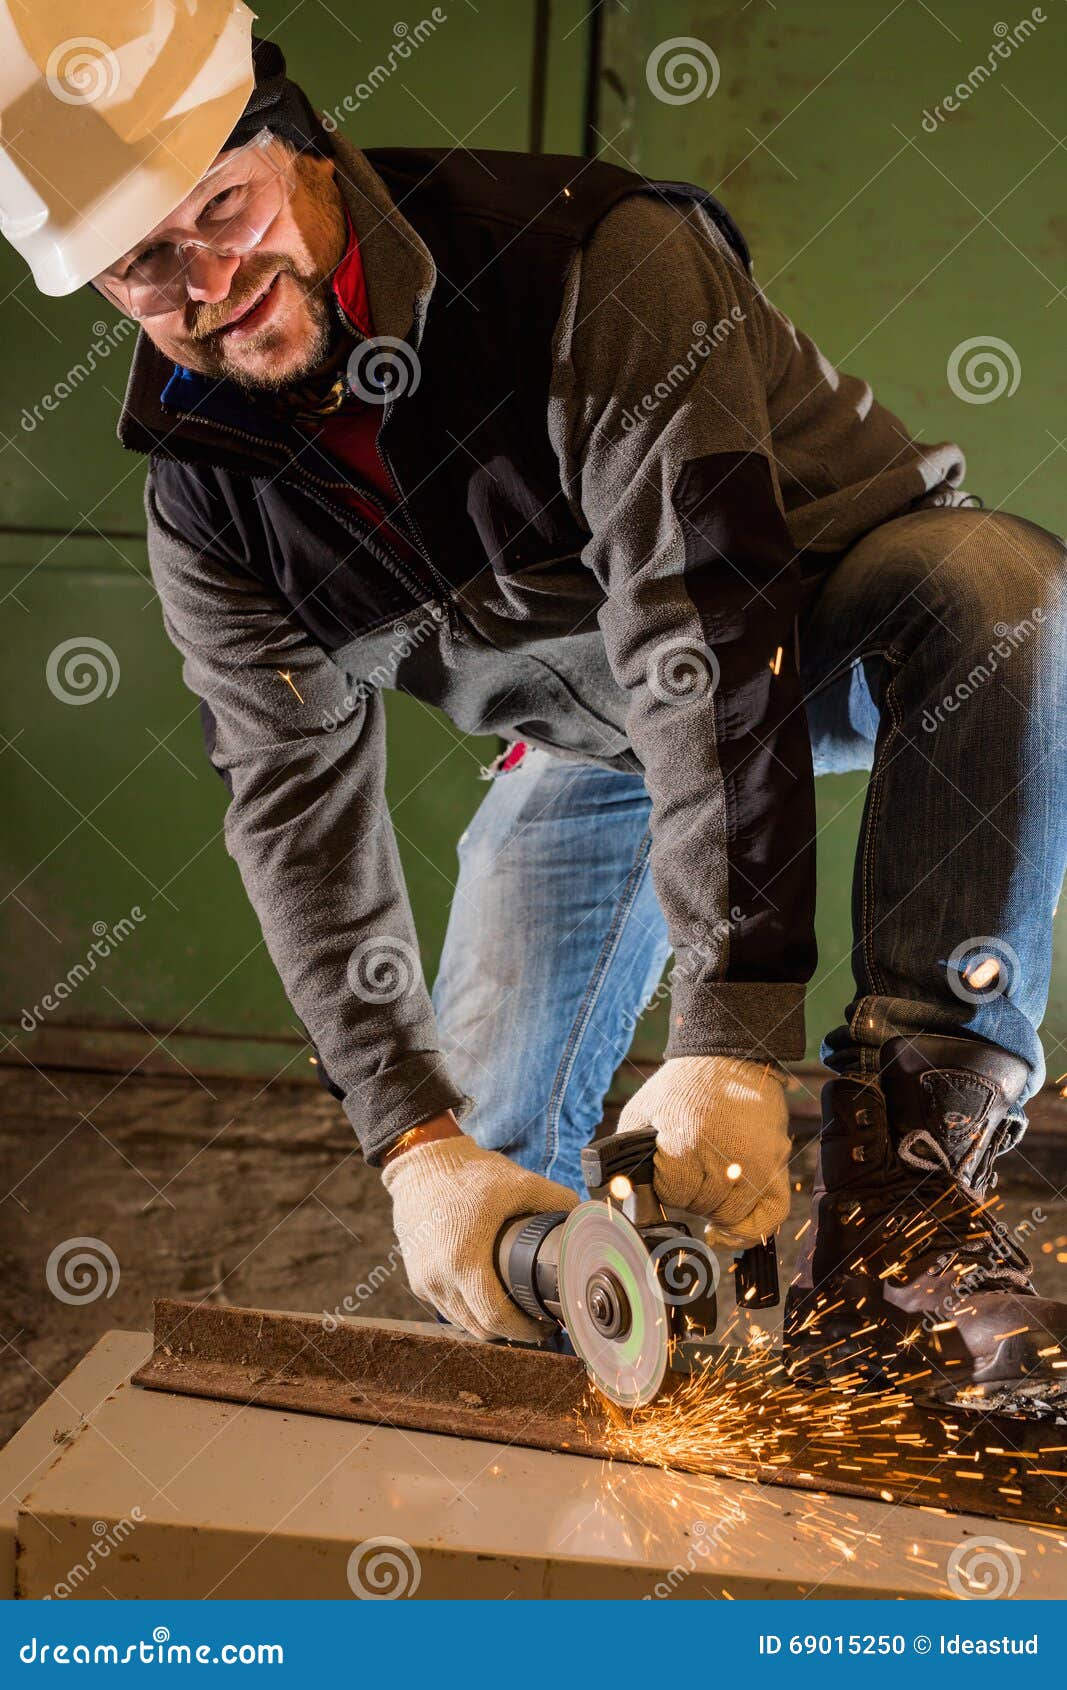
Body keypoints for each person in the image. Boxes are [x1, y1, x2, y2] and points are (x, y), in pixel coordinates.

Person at [6, 3, 1064, 1395]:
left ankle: (908, 1233)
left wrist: (730, 1032)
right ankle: (635, 1363)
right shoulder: (209, 498)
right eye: (150, 265)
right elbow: (291, 809)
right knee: (494, 1168)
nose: (216, 278)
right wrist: (414, 1145)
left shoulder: (588, 265)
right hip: (590, 744)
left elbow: (699, 625)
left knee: (1000, 594)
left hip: (809, 639)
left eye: (223, 206)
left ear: (302, 143)